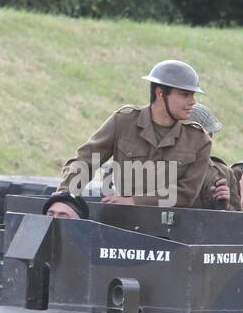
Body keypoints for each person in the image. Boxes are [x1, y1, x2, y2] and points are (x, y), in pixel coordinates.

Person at [58, 60, 212, 208]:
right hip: (122, 219)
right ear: (160, 94)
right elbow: (86, 160)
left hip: (170, 226)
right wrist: (64, 196)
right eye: (185, 94)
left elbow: (186, 194)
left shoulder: (198, 139)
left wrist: (134, 201)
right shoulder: (124, 122)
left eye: (192, 95)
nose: (192, 101)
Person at [188, 104, 240, 211]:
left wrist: (224, 206)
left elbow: (237, 221)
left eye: (207, 135)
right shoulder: (165, 167)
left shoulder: (224, 173)